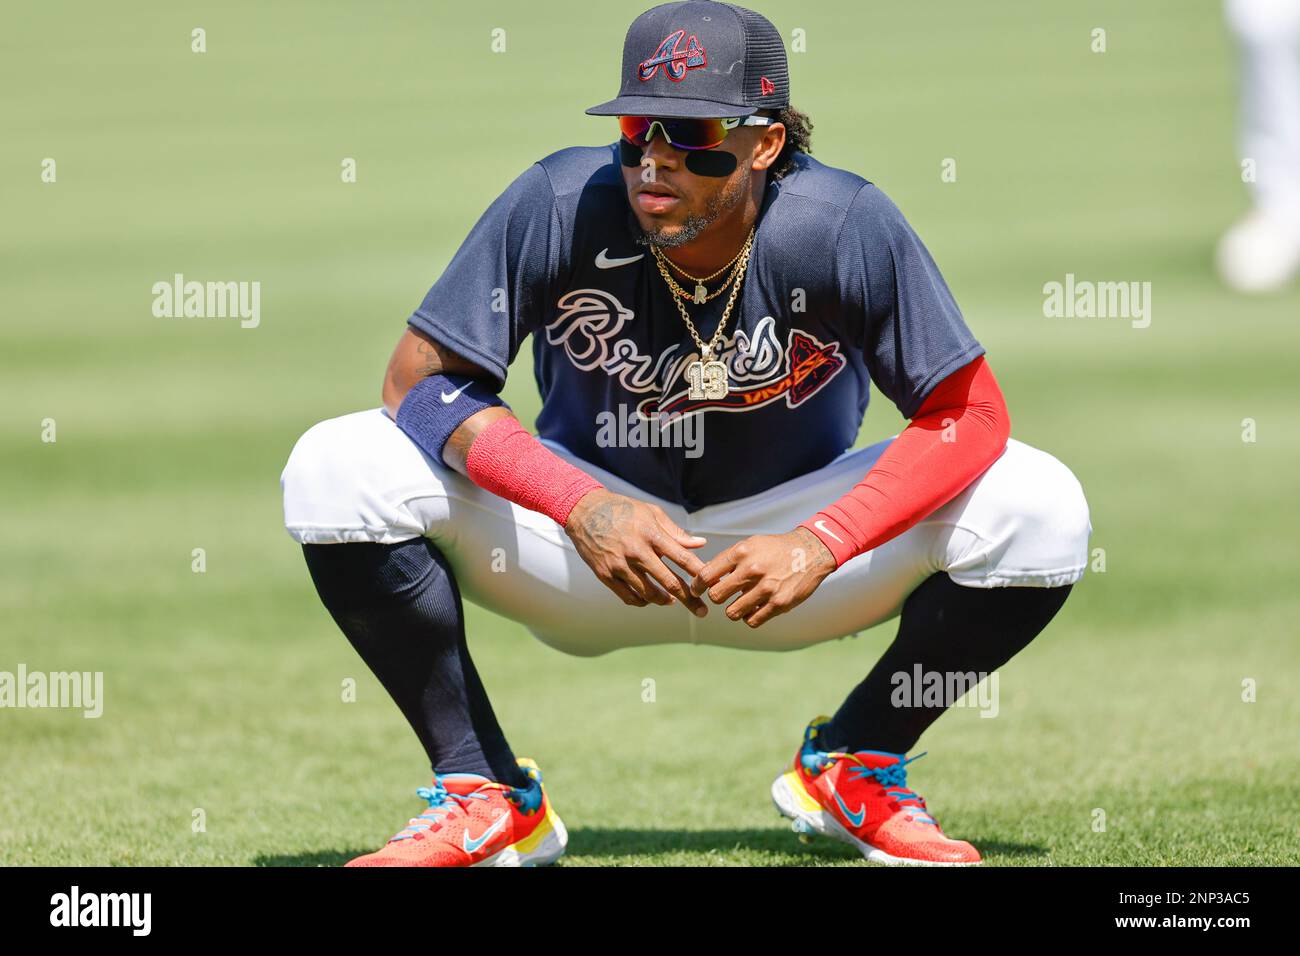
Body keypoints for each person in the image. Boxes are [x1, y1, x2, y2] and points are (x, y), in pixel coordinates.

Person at [280, 0, 1091, 867]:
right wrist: (580, 504)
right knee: (337, 463)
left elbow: (971, 413)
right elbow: (419, 380)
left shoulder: (842, 225)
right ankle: (485, 788)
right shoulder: (559, 201)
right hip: (582, 545)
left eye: (693, 132)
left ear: (766, 141)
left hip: (795, 552)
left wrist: (824, 541)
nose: (655, 158)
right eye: (637, 130)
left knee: (1040, 505)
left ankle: (857, 760)